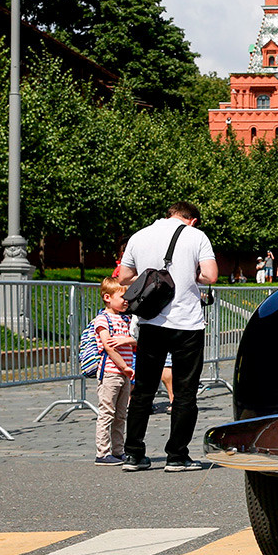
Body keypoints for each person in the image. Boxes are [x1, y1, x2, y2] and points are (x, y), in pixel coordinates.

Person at [118, 202, 218, 472]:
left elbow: (124, 276)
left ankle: (133, 454)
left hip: (151, 322)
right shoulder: (196, 236)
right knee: (185, 393)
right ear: (192, 220)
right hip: (187, 324)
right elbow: (210, 275)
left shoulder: (139, 235)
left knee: (143, 391)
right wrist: (190, 276)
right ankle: (177, 455)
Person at [92, 277, 136, 467]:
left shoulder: (125, 318)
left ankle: (118, 450)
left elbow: (136, 339)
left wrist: (127, 341)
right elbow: (109, 347)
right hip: (111, 373)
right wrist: (124, 367)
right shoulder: (103, 319)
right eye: (123, 297)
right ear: (107, 297)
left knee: (121, 414)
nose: (126, 301)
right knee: (107, 413)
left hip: (124, 374)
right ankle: (102, 452)